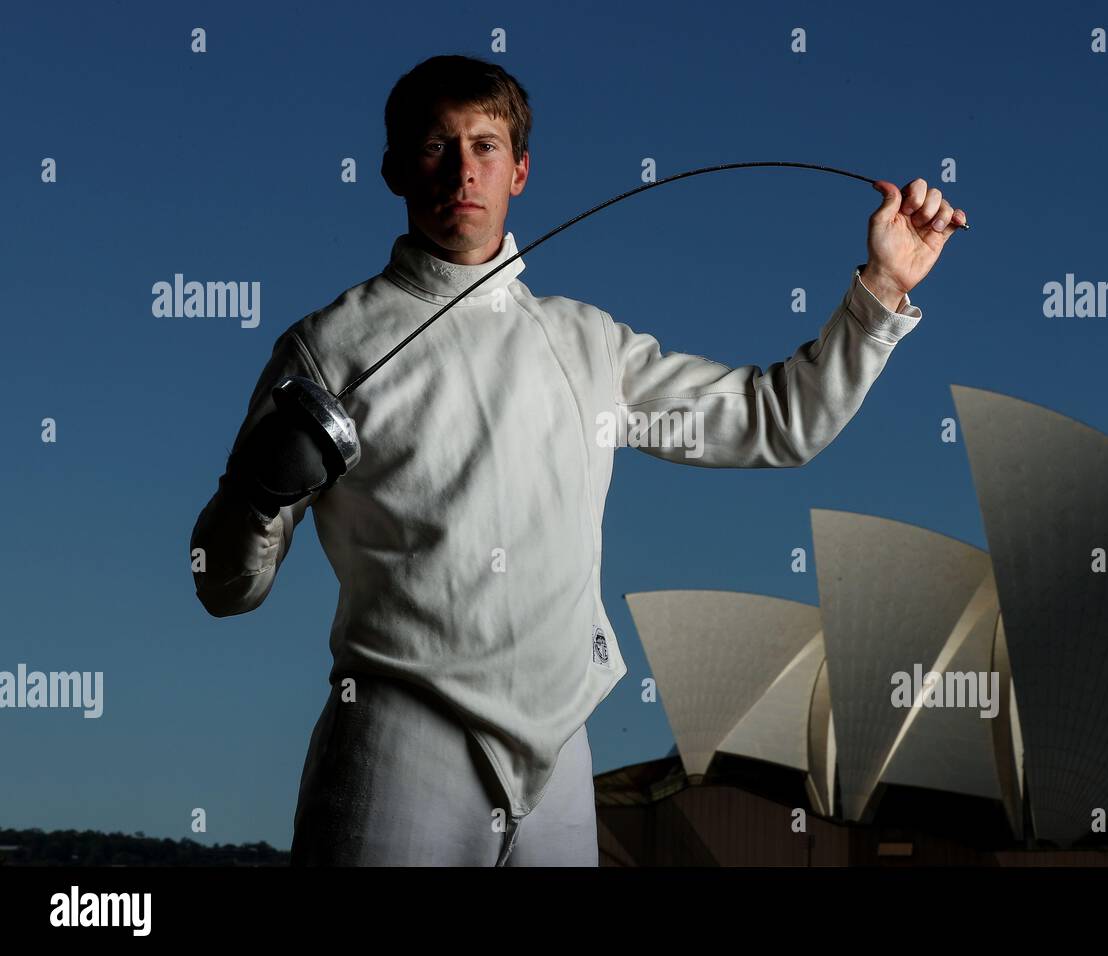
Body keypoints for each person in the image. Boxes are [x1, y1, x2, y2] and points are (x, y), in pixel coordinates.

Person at [188, 53, 965, 867]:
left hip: (560, 753)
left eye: (486, 146)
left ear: (521, 170)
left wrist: (879, 288)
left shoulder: (588, 344)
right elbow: (223, 586)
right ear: (392, 169)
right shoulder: (326, 348)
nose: (463, 170)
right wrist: (252, 493)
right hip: (400, 737)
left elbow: (777, 420)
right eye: (435, 147)